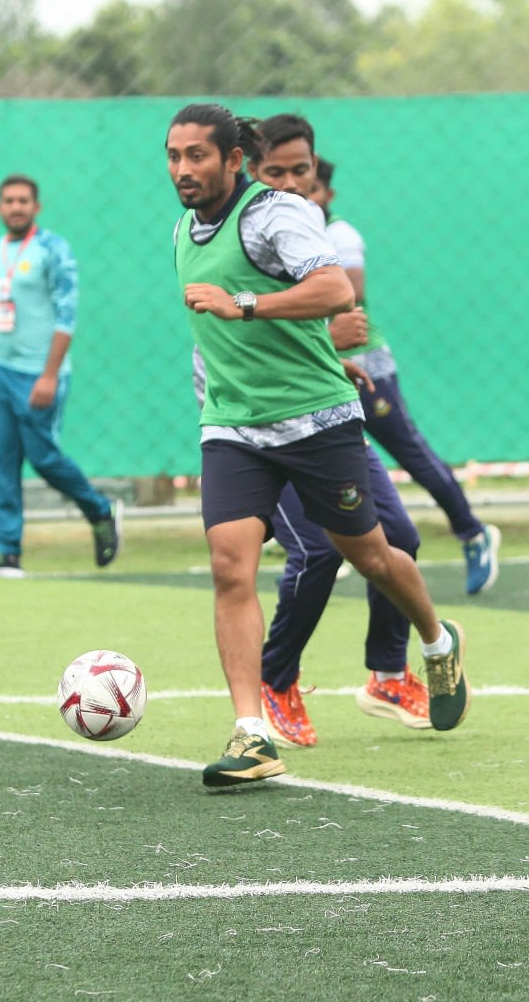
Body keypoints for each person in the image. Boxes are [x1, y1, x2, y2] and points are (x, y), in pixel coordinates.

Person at [166, 103, 470, 789]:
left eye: (198, 156)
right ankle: (252, 732)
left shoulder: (275, 213)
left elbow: (332, 289)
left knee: (368, 554)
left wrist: (243, 303)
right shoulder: (184, 229)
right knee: (229, 566)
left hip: (313, 422)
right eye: (174, 156)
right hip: (234, 426)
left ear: (232, 160)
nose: (184, 169)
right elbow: (219, 335)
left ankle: (437, 641)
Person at [245, 114, 431, 747]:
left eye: (303, 171)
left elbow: (304, 334)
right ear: (252, 174)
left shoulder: (315, 233)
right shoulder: (250, 237)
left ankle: (385, 674)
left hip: (327, 417)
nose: (295, 184)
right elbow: (243, 338)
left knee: (400, 537)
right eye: (277, 173)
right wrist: (330, 336)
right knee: (318, 551)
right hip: (262, 429)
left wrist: (335, 357)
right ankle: (275, 680)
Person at [303, 148, 500, 596]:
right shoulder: (283, 236)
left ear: (327, 193)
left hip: (364, 366)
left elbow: (346, 296)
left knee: (409, 453)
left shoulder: (340, 235)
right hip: (315, 368)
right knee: (314, 458)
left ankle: (472, 533)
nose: (300, 192)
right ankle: (327, 546)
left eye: (310, 185)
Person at [0, 174, 121, 578]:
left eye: (24, 201)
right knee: (2, 459)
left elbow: (67, 315)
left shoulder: (53, 249)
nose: (16, 207)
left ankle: (99, 510)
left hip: (39, 374)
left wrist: (49, 375)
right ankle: (6, 551)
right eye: (9, 201)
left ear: (37, 207)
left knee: (44, 459)